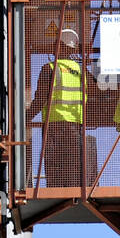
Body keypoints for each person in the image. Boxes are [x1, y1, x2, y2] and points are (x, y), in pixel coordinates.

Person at [27, 28, 93, 188]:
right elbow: (92, 97)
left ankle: (56, 194)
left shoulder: (50, 68)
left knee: (55, 165)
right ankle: (73, 195)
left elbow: (40, 99)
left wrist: (23, 118)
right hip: (75, 127)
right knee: (73, 167)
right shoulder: (82, 71)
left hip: (54, 126)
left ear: (61, 46)